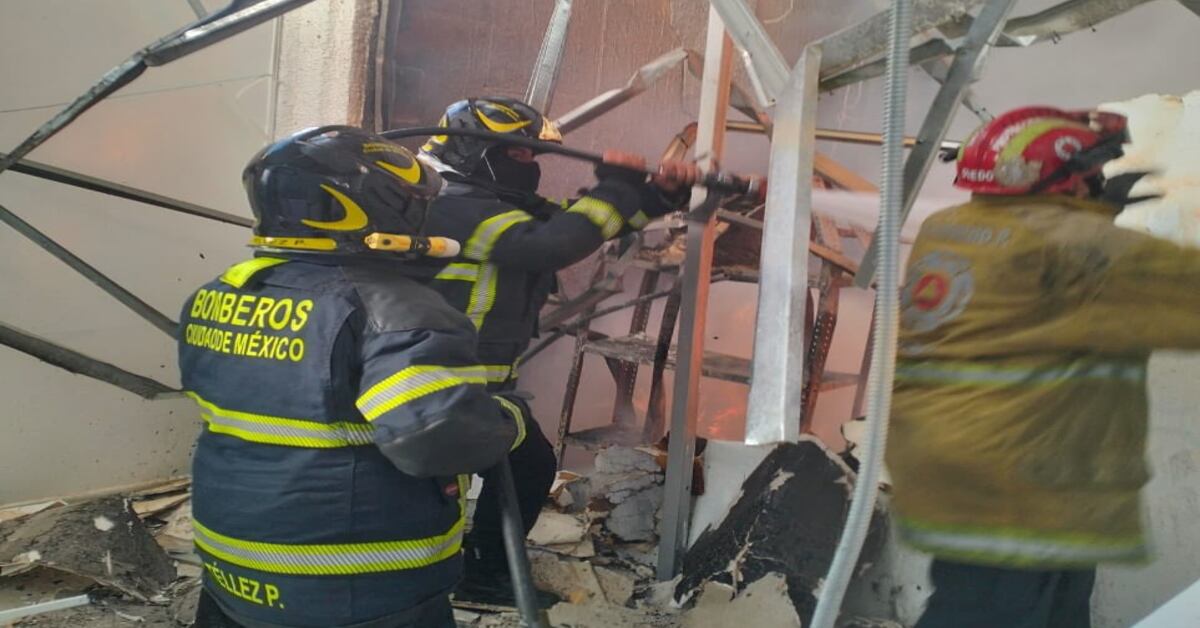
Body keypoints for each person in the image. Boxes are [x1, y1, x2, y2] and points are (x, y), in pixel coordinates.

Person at [180, 126, 532, 628]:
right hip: (354, 581)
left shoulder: (220, 293)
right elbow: (436, 443)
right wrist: (508, 418)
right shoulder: (398, 310)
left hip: (230, 562)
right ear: (388, 209)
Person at [887, 106, 1194, 628]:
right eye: (1091, 172)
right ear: (1067, 179)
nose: (1098, 181)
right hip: (1024, 483)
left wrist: (1091, 215)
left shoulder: (948, 228)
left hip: (963, 477)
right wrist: (1094, 224)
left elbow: (1035, 272)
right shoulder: (1078, 246)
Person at [418, 97, 699, 605]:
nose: (530, 166)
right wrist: (617, 184)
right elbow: (552, 246)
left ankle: (482, 574)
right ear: (472, 149)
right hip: (434, 381)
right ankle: (420, 587)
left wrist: (656, 196)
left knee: (524, 466)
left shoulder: (494, 200)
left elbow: (573, 222)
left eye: (532, 157)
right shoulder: (451, 203)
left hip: (479, 383)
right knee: (437, 492)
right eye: (519, 155)